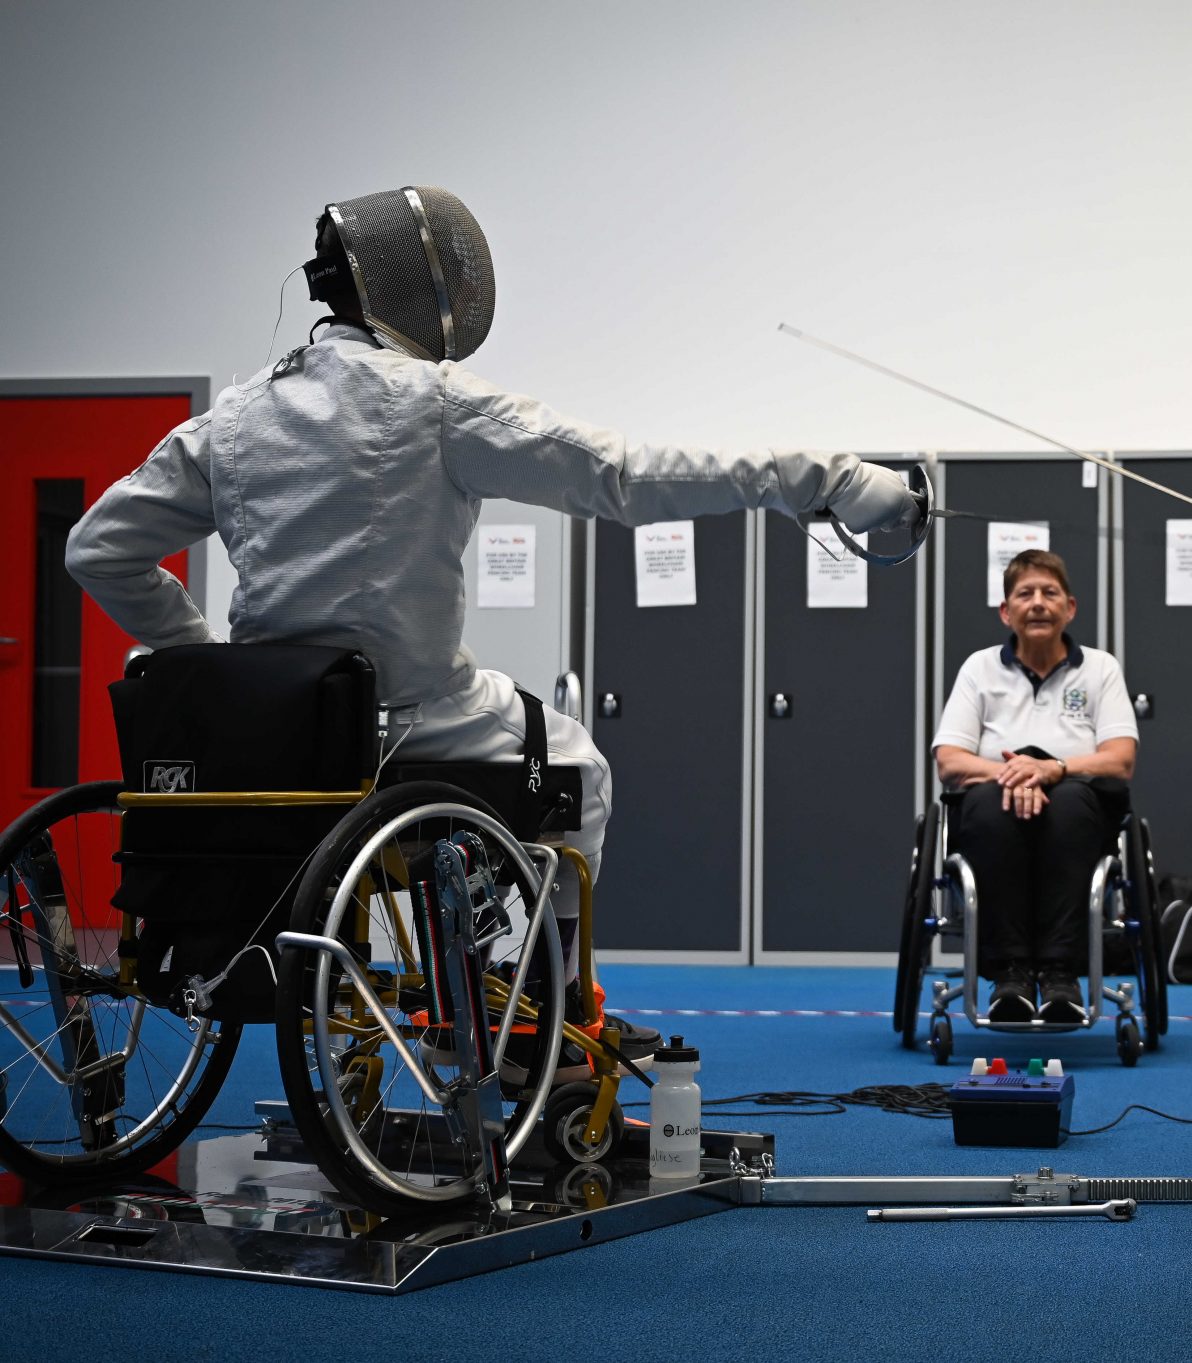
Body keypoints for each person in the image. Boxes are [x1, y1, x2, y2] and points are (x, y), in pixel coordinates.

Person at [64, 185, 920, 1061]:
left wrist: (216, 668)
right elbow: (624, 476)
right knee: (579, 768)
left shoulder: (237, 417)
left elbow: (98, 549)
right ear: (415, 286)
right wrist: (826, 477)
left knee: (515, 754)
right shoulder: (432, 402)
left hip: (275, 748)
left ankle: (479, 968)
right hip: (408, 726)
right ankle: (554, 1007)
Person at [931, 549, 1138, 1023]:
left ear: (1070, 607)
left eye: (1050, 593)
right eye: (1025, 594)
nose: (1038, 603)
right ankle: (1010, 973)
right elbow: (949, 760)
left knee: (1071, 805)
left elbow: (1120, 760)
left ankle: (1061, 972)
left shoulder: (1100, 669)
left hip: (1078, 803)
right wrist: (1018, 773)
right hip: (995, 797)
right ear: (1006, 612)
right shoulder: (979, 669)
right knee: (988, 806)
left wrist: (1054, 770)